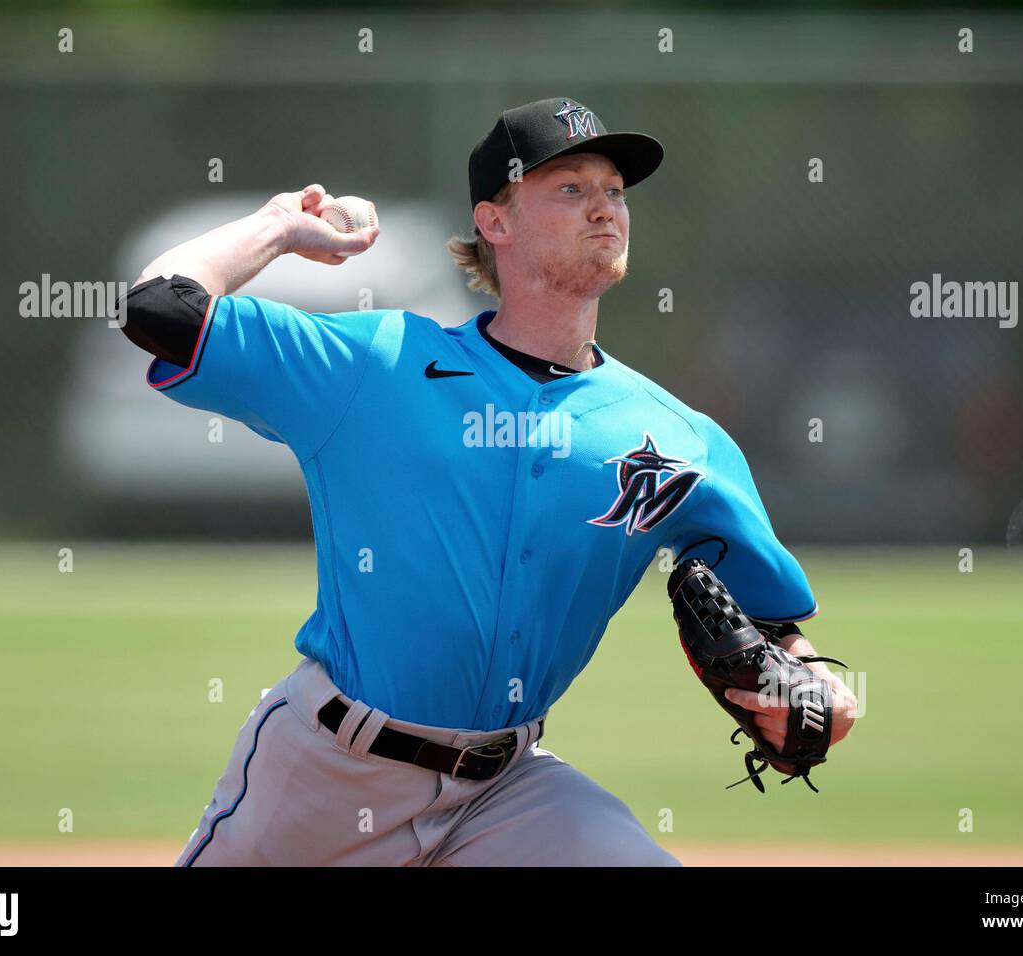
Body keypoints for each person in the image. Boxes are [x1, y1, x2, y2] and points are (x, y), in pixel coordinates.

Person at [117, 96, 856, 867]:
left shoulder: (681, 440)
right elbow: (159, 308)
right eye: (569, 188)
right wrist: (276, 226)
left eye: (614, 190)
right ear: (494, 223)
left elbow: (771, 629)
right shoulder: (380, 366)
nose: (604, 207)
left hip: (507, 795)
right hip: (327, 778)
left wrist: (816, 692)